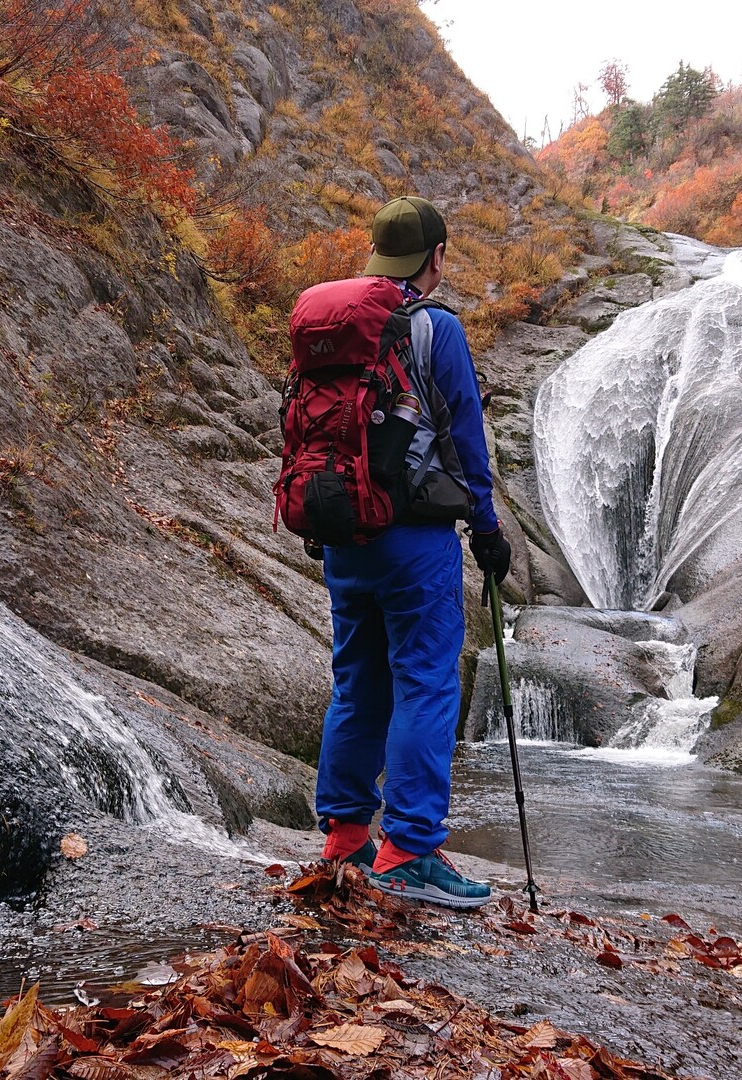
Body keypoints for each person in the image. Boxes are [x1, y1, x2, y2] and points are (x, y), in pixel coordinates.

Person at [309, 196, 512, 909]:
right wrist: (486, 530)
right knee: (426, 682)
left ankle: (343, 834)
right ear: (434, 258)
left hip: (342, 536)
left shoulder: (337, 328)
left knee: (358, 683)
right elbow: (466, 442)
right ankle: (409, 850)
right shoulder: (435, 329)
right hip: (414, 539)